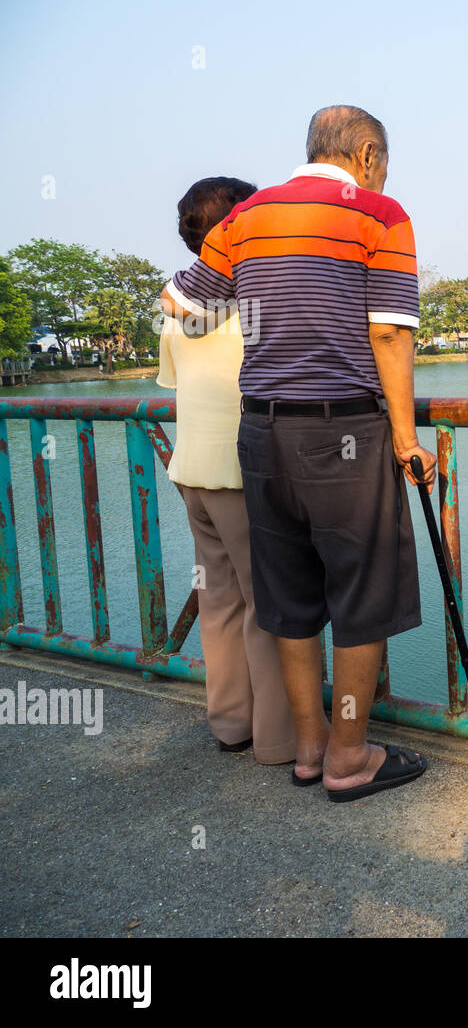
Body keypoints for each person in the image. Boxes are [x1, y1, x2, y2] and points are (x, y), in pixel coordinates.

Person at [159, 106, 433, 802]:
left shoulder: (247, 217)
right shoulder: (380, 214)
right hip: (346, 431)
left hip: (262, 434)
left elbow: (178, 301)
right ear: (366, 153)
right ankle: (349, 756)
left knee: (288, 597)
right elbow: (392, 337)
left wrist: (267, 312)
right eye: (384, 161)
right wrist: (406, 438)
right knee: (363, 595)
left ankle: (309, 748)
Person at [158, 176, 295, 765]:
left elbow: (175, 383)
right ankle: (278, 740)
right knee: (270, 606)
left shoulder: (179, 310)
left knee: (219, 600)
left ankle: (231, 724)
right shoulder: (255, 307)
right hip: (243, 474)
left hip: (191, 470)